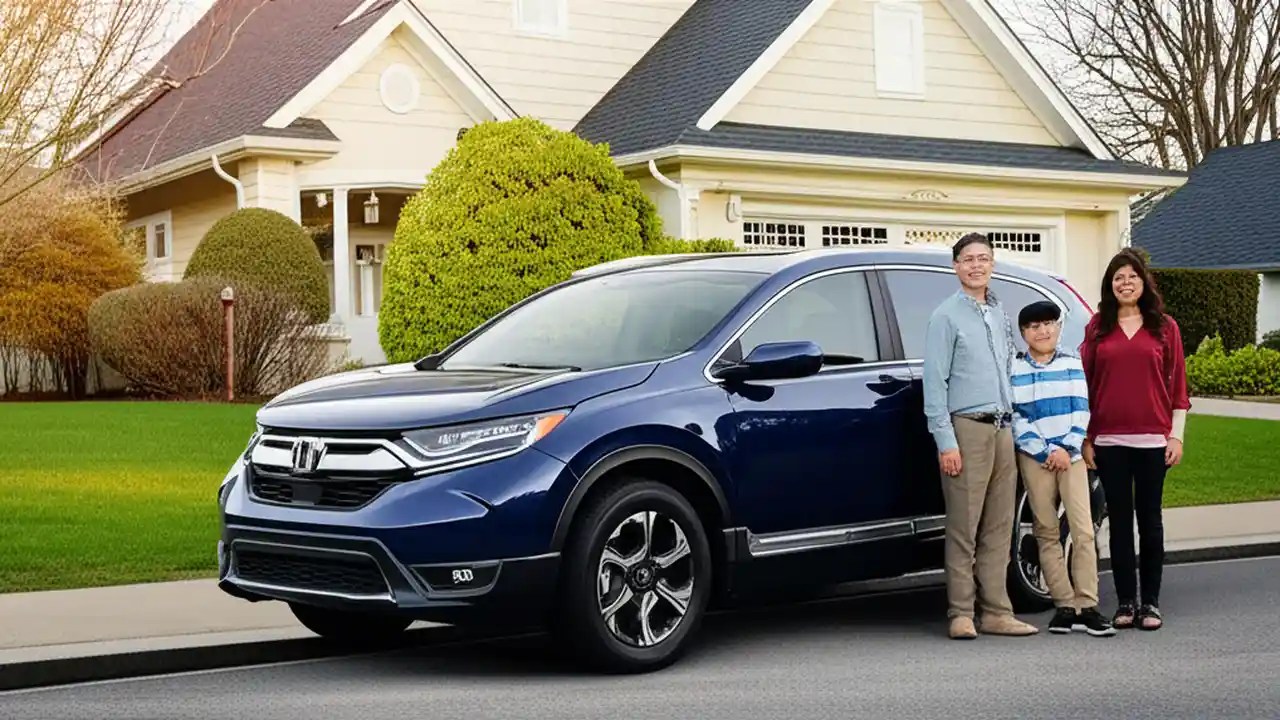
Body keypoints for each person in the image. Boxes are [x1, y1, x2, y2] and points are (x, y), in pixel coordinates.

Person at [924, 232, 1039, 640]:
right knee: (964, 526)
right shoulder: (946, 317)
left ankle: (996, 612)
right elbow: (934, 385)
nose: (977, 265)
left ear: (992, 265)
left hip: (1003, 429)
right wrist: (946, 441)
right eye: (968, 259)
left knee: (998, 525)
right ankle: (960, 612)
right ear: (956, 267)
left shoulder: (997, 314)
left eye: (984, 258)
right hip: (966, 429)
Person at [1081, 248, 1190, 632]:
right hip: (1109, 441)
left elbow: (1178, 387)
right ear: (1110, 286)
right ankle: (1126, 601)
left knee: (1150, 521)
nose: (1125, 283)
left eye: (1132, 276)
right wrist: (1087, 438)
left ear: (1144, 282)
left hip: (1152, 442)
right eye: (1118, 278)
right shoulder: (1097, 328)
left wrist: (1175, 436)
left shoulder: (1165, 327)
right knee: (1120, 523)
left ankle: (1152, 603)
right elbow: (1087, 386)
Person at [1010, 300, 1114, 637]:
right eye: (1033, 326)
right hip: (1035, 456)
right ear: (1024, 333)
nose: (1042, 331)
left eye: (1048, 324)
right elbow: (1018, 415)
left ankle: (1088, 603)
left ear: (1058, 327)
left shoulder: (1071, 362)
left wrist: (1066, 447)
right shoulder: (1016, 367)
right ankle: (1064, 604)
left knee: (1082, 530)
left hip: (1070, 456)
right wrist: (1043, 451)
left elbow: (1081, 409)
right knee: (1046, 530)